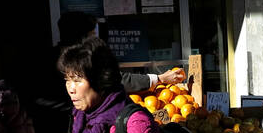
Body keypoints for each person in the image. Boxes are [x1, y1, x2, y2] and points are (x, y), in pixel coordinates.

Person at [56, 13, 185, 95]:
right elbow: (116, 80)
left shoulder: (56, 56)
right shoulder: (74, 62)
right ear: (82, 38)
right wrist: (160, 79)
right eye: (92, 35)